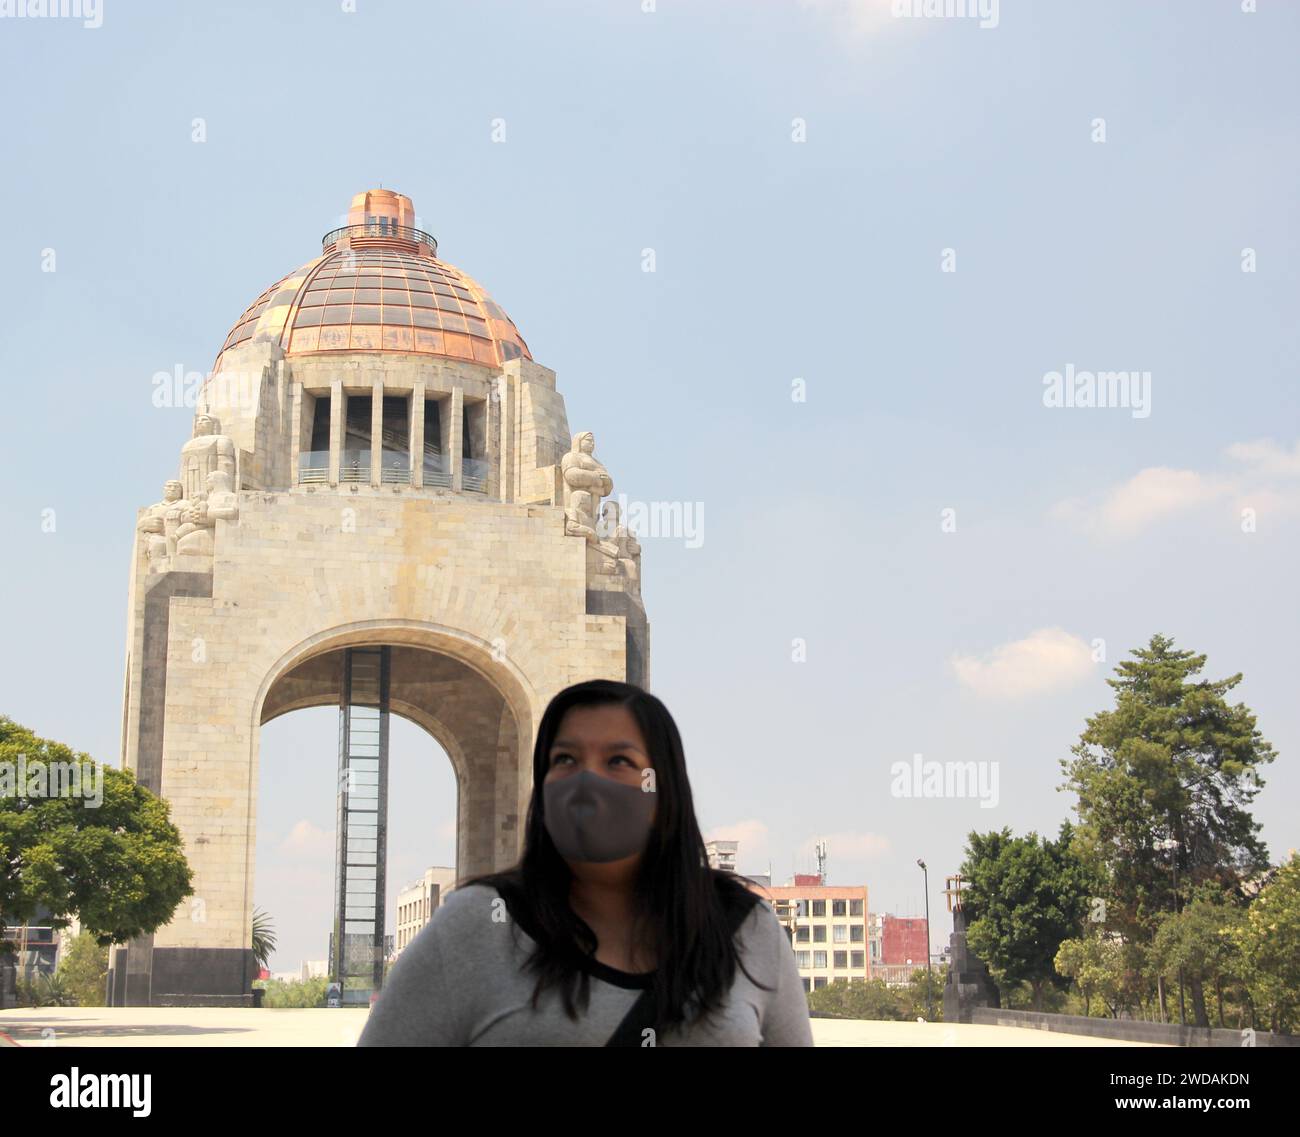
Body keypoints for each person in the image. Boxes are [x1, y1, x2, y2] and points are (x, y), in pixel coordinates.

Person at [357, 679, 813, 1046]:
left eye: (619, 760)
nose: (587, 781)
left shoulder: (748, 931)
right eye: (565, 759)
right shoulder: (476, 926)